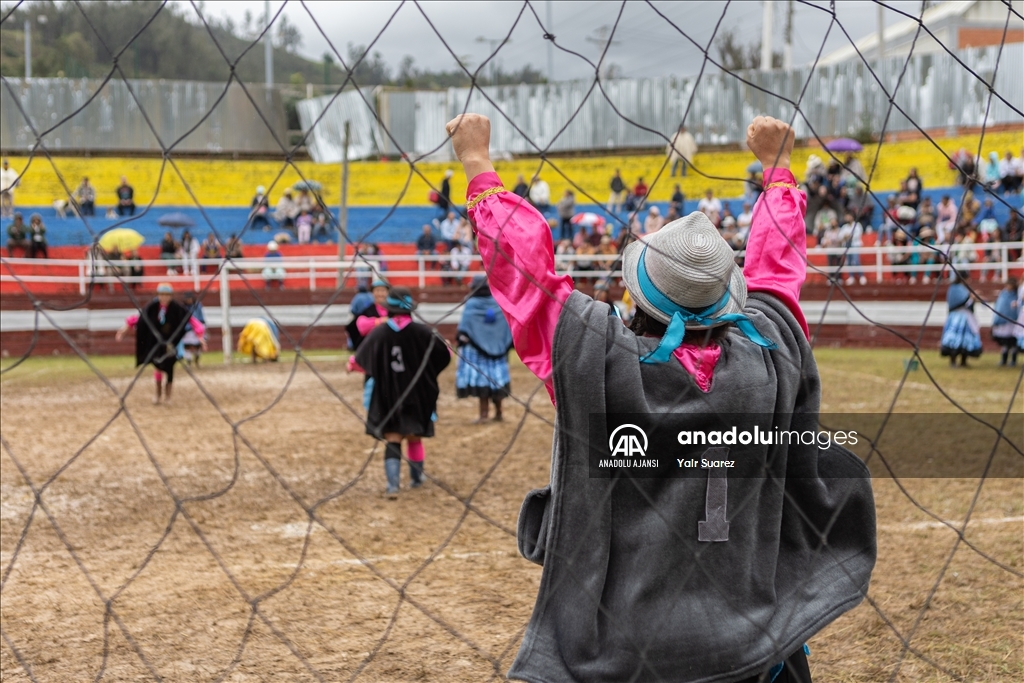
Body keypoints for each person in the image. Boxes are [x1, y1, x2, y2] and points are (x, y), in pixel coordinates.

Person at [447, 112, 875, 683]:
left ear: (639, 293)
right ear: (728, 299)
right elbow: (777, 276)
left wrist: (477, 163)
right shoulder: (770, 355)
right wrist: (778, 172)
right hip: (752, 639)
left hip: (623, 648)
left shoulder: (595, 361)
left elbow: (527, 276)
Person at [349, 286, 451, 497]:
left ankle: (392, 486)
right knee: (414, 436)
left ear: (389, 309)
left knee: (392, 436)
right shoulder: (423, 332)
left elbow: (360, 359)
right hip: (417, 393)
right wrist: (428, 372)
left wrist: (353, 365)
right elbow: (445, 353)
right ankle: (416, 478)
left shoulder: (379, 333)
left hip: (387, 395)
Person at [116, 283, 205, 404]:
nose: (164, 298)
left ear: (171, 296)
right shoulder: (152, 307)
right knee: (157, 365)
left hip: (171, 342)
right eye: (161, 295)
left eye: (166, 295)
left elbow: (190, 320)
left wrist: (200, 336)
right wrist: (124, 329)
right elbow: (140, 318)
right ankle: (157, 394)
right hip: (156, 342)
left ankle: (168, 396)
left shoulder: (177, 308)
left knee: (169, 367)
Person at [456, 275, 513, 423]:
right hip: (498, 352)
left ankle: (483, 414)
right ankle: (499, 413)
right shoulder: (497, 301)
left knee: (483, 381)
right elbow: (505, 324)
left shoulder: (471, 303)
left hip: (478, 353)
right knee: (497, 381)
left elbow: (465, 328)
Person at [940, 271, 983, 367]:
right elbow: (959, 301)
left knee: (966, 340)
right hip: (957, 317)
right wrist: (970, 297)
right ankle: (953, 361)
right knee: (955, 339)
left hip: (966, 317)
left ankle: (963, 361)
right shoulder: (955, 288)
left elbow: (967, 300)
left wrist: (973, 298)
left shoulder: (964, 288)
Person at [992, 278, 1020, 367]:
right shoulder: (1003, 294)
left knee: (1012, 342)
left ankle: (1013, 360)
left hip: (1013, 321)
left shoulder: (1016, 295)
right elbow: (1000, 307)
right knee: (1005, 342)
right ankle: (1004, 360)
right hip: (1003, 321)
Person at [178, 291, 206, 367]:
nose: (188, 300)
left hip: (197, 328)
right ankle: (189, 361)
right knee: (187, 345)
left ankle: (197, 360)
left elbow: (201, 318)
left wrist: (201, 327)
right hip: (187, 329)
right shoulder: (182, 308)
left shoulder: (197, 306)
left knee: (198, 345)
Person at [839, 211, 867, 285]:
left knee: (856, 261)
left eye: (848, 216)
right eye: (846, 216)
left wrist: (848, 236)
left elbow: (857, 235)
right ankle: (851, 277)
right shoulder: (844, 227)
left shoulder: (857, 225)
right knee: (848, 262)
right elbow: (840, 236)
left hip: (855, 245)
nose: (847, 218)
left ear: (852, 217)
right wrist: (846, 236)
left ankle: (862, 276)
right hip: (847, 246)